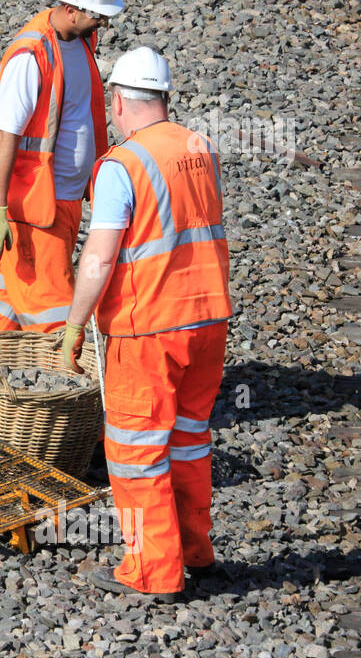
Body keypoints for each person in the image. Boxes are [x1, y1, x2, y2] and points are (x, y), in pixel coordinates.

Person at [57, 47, 233, 602]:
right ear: (164, 98)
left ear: (117, 100)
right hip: (208, 319)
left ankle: (154, 572)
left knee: (136, 451)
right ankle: (195, 551)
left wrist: (73, 326)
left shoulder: (122, 164)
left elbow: (100, 258)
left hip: (147, 327)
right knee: (187, 440)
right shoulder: (199, 148)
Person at [0, 0, 124, 333]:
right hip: (37, 205)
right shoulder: (30, 58)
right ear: (71, 10)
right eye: (98, 15)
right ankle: (78, 380)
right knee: (55, 307)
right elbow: (7, 136)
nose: (104, 23)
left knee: (11, 296)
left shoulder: (80, 41)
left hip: (65, 197)